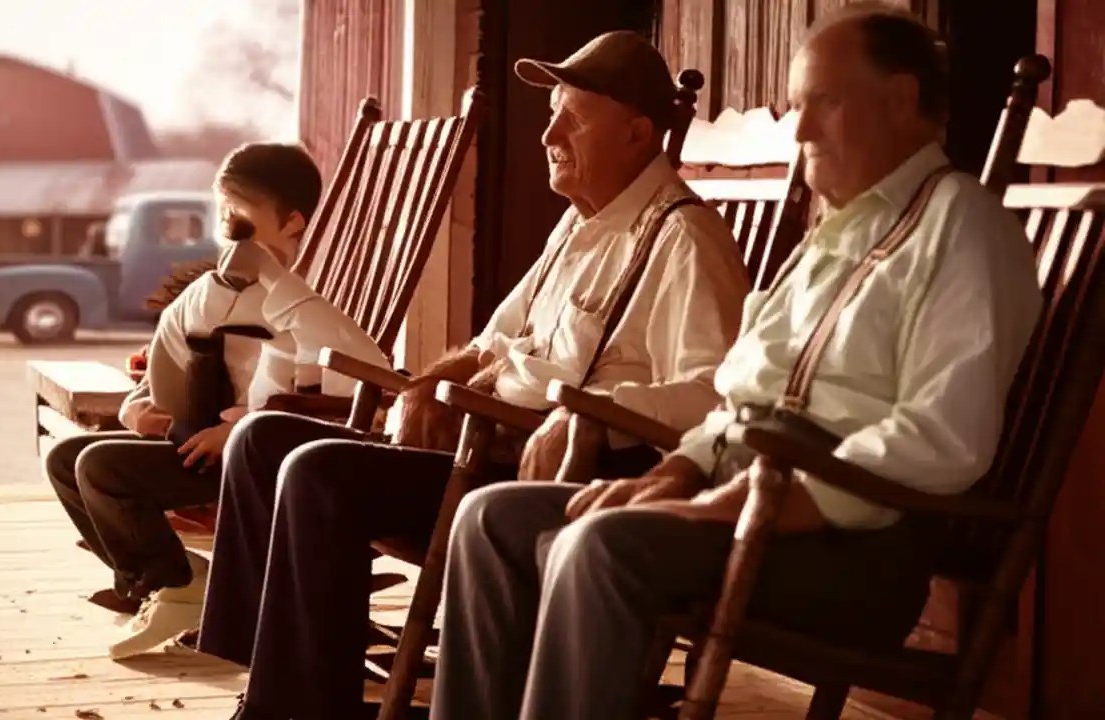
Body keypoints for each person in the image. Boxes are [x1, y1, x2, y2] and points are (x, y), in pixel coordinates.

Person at [427, 5, 1044, 720]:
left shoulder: (962, 228)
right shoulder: (834, 234)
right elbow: (740, 398)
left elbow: (942, 437)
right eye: (798, 107)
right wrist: (675, 473)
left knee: (601, 547)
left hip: (850, 547)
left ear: (901, 100)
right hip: (742, 493)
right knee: (491, 519)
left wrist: (737, 500)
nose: (802, 133)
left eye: (823, 103)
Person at [200, 31, 751, 720]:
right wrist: (429, 387)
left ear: (638, 133)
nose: (548, 134)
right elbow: (490, 343)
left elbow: (710, 394)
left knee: (320, 474)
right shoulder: (578, 228)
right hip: (478, 441)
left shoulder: (682, 241)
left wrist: (584, 414)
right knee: (262, 439)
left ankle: (298, 710)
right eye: (551, 113)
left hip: (551, 472)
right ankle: (278, 690)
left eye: (573, 119)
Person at [44, 142, 389, 658]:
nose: (228, 228)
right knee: (65, 459)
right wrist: (136, 406)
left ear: (292, 223)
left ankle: (177, 587)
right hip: (192, 441)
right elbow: (165, 357)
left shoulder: (300, 305)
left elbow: (364, 380)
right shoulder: (209, 291)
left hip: (255, 457)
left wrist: (240, 428)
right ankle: (171, 578)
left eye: (240, 215)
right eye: (222, 211)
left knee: (101, 468)